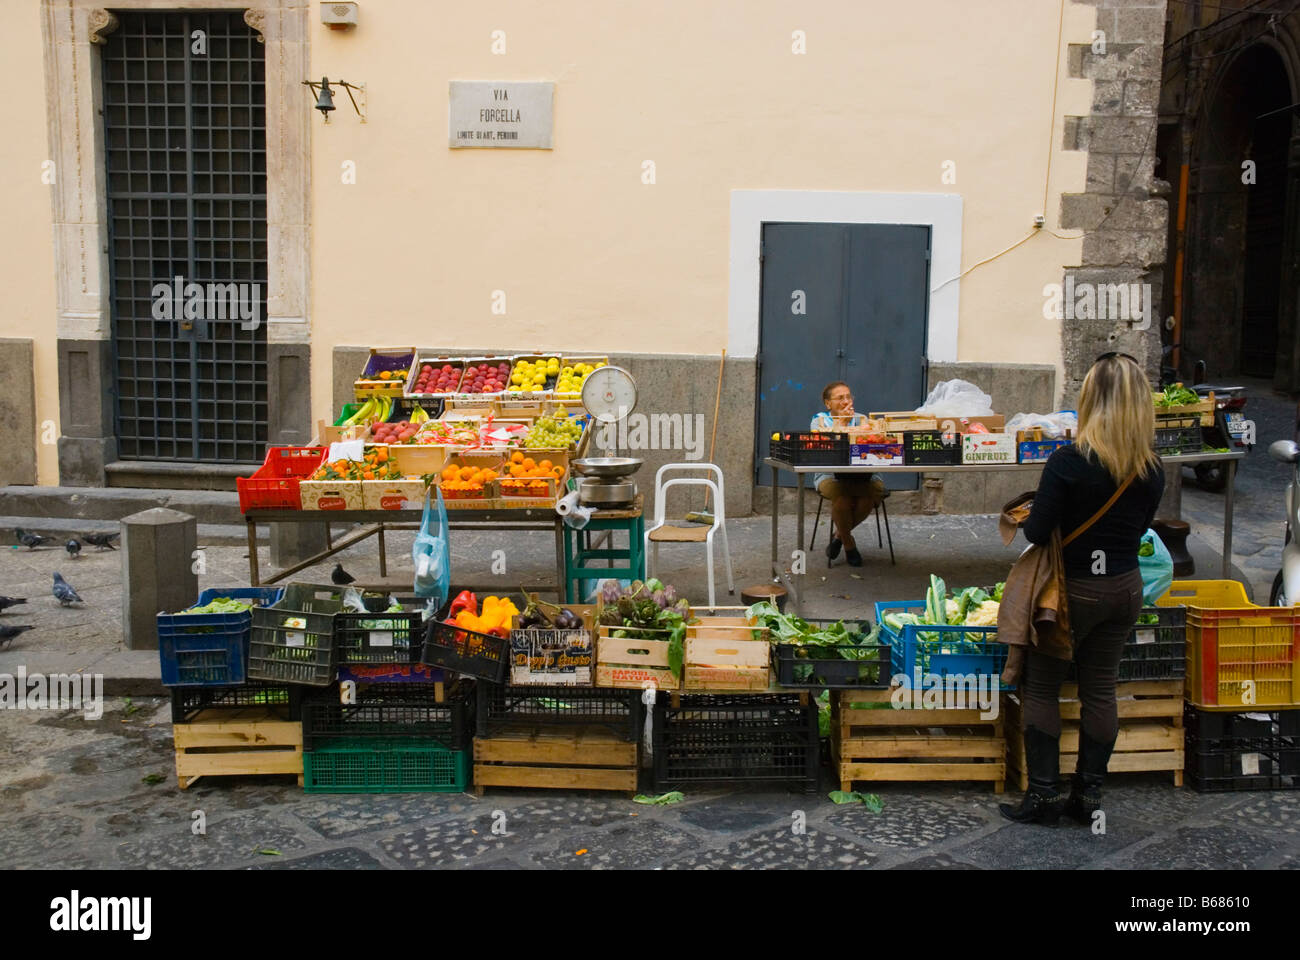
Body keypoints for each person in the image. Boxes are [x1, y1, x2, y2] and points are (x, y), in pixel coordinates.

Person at [1000, 353, 1165, 826]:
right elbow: (1135, 533)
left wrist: (1030, 511)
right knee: (1099, 690)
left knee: (1043, 686)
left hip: (1070, 594)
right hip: (1124, 588)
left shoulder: (1069, 461)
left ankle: (1045, 796)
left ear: (1090, 399)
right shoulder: (1151, 468)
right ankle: (1088, 796)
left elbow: (1036, 534)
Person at [810, 381, 886, 567]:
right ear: (828, 404)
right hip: (830, 476)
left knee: (866, 500)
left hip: (865, 475)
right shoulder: (819, 421)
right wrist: (842, 425)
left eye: (848, 397)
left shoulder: (863, 420)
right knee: (844, 500)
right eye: (840, 398)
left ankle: (839, 537)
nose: (846, 401)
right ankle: (849, 544)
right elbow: (823, 450)